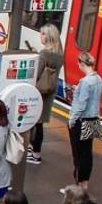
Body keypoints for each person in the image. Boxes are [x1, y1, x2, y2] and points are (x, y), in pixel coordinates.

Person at [30, 23, 63, 164]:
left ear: (48, 37)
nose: (41, 36)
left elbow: (36, 74)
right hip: (49, 92)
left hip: (39, 91)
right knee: (40, 123)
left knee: (35, 124)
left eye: (43, 34)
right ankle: (35, 151)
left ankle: (35, 153)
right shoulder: (58, 54)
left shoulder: (45, 53)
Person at [66, 53, 102, 183]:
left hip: (81, 122)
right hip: (93, 120)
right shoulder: (99, 79)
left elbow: (81, 105)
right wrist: (78, 90)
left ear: (82, 63)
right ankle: (85, 184)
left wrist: (72, 120)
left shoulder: (85, 82)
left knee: (78, 155)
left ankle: (78, 185)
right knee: (87, 154)